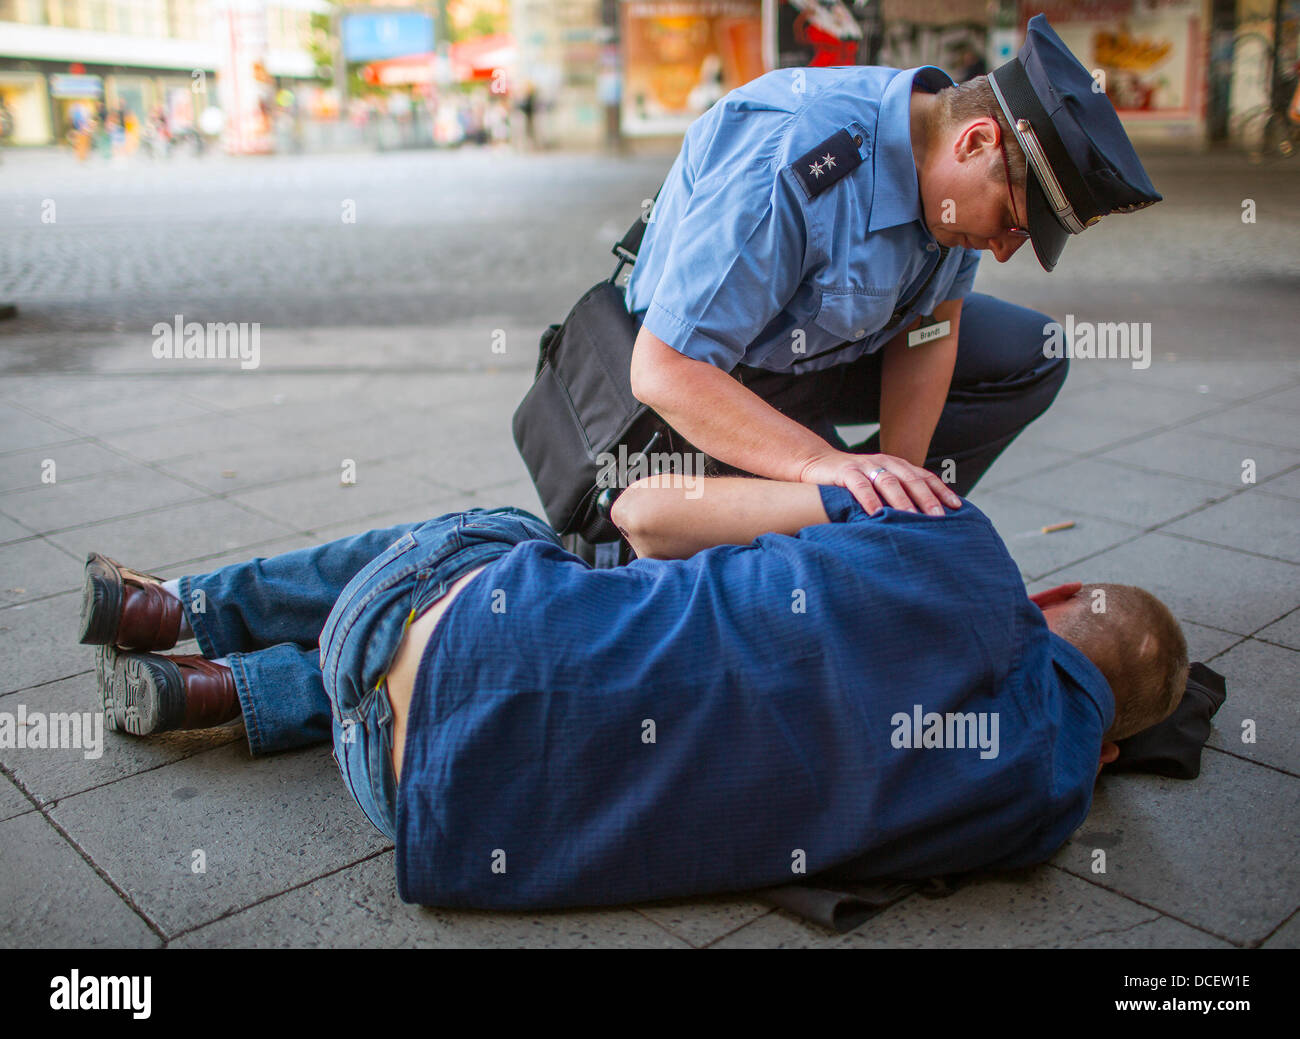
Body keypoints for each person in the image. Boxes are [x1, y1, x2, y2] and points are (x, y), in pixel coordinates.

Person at [77, 474, 1187, 910]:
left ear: (1058, 591)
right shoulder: (1045, 808)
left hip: (414, 618)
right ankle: (228, 691)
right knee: (519, 663)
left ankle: (183, 609)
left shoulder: (963, 544)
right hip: (423, 808)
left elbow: (644, 516)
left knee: (519, 531)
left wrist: (828, 490)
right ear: (1110, 753)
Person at [622, 14, 1164, 518]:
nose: (1002, 250)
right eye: (1011, 222)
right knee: (801, 565)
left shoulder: (946, 175)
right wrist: (822, 464)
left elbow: (930, 329)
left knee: (1031, 353)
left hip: (827, 351)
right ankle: (814, 513)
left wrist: (896, 483)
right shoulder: (794, 163)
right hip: (715, 379)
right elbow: (666, 370)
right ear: (976, 142)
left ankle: (864, 517)